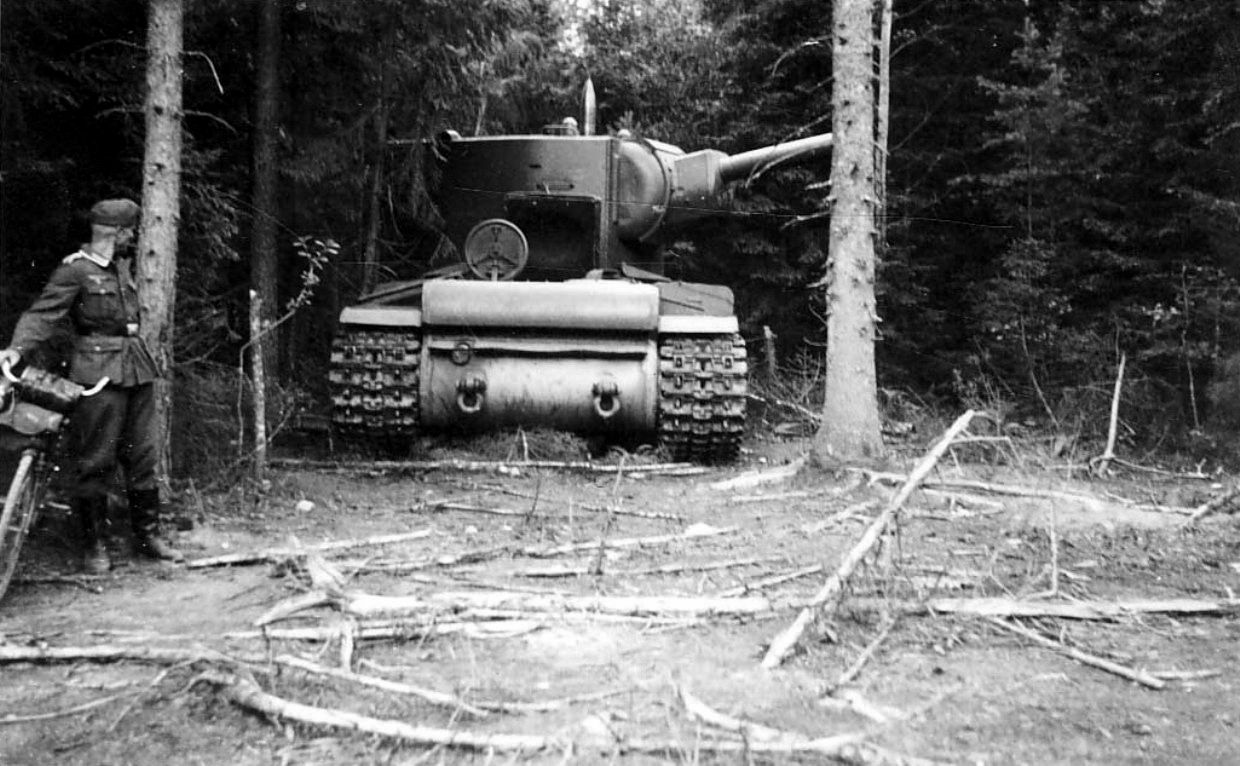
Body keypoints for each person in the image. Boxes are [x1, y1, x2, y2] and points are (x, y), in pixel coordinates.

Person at [0, 198, 183, 573]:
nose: (134, 238)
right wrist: (16, 349)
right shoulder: (76, 270)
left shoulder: (120, 268)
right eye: (130, 232)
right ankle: (94, 545)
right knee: (96, 460)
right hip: (98, 375)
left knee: (143, 455)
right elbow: (43, 314)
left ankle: (147, 538)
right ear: (117, 233)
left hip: (137, 370)